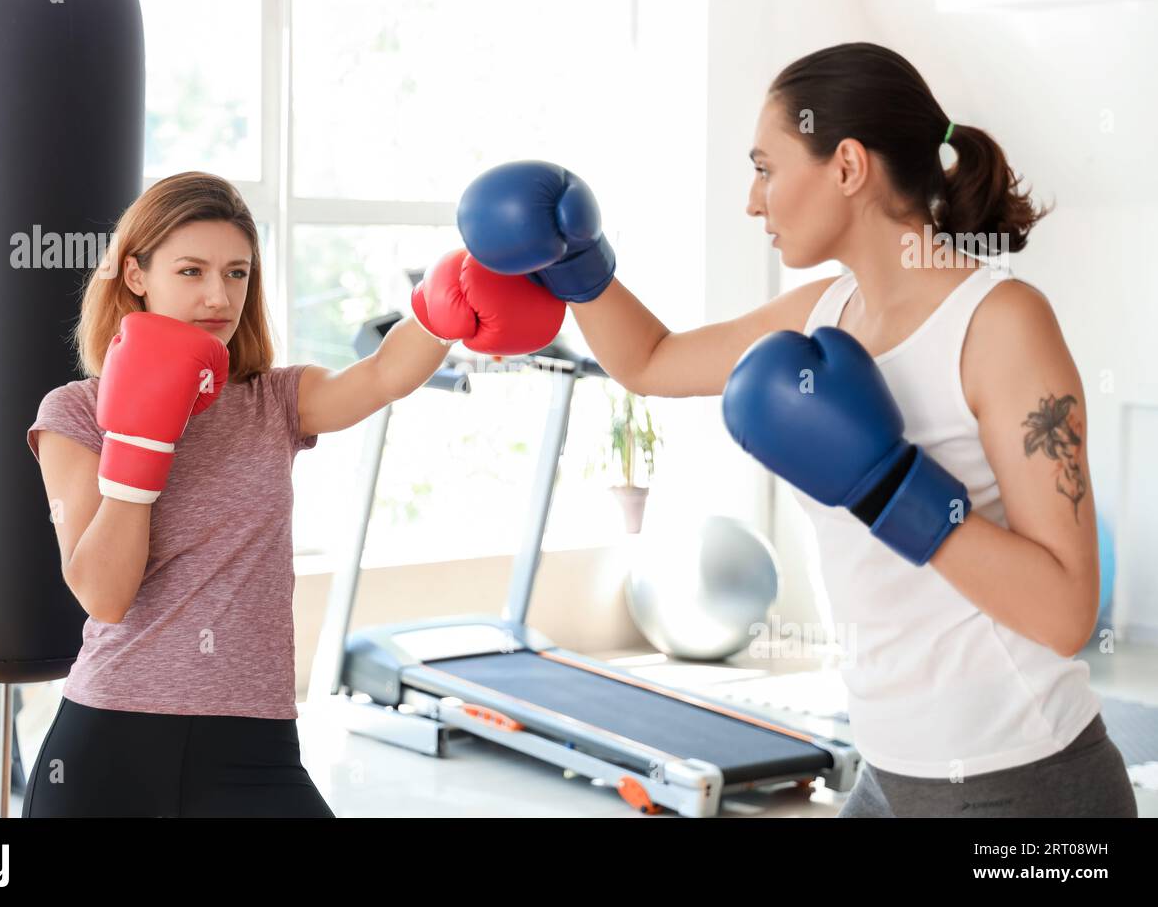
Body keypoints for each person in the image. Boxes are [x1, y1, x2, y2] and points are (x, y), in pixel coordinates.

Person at [455, 43, 1136, 818]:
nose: (754, 201)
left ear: (847, 167)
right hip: (891, 770)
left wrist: (887, 485)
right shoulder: (823, 312)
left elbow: (1066, 612)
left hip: (1026, 784)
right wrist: (579, 265)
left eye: (767, 168)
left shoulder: (1000, 322)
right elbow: (650, 361)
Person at [23, 171, 556, 817]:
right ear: (135, 274)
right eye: (191, 271)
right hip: (110, 737)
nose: (219, 295)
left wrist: (441, 308)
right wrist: (140, 445)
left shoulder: (273, 399)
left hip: (253, 741)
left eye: (237, 273)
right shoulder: (75, 412)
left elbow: (382, 375)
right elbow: (103, 596)